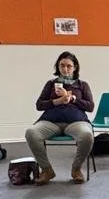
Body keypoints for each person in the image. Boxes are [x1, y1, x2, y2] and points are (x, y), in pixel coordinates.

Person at [24, 51, 95, 185]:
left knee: (87, 135)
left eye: (69, 66)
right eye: (62, 66)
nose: (65, 69)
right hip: (51, 122)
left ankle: (76, 169)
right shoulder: (51, 84)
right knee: (31, 132)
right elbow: (39, 105)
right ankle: (47, 170)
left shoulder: (82, 85)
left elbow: (90, 106)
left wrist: (72, 99)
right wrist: (58, 101)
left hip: (76, 122)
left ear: (75, 67)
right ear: (58, 67)